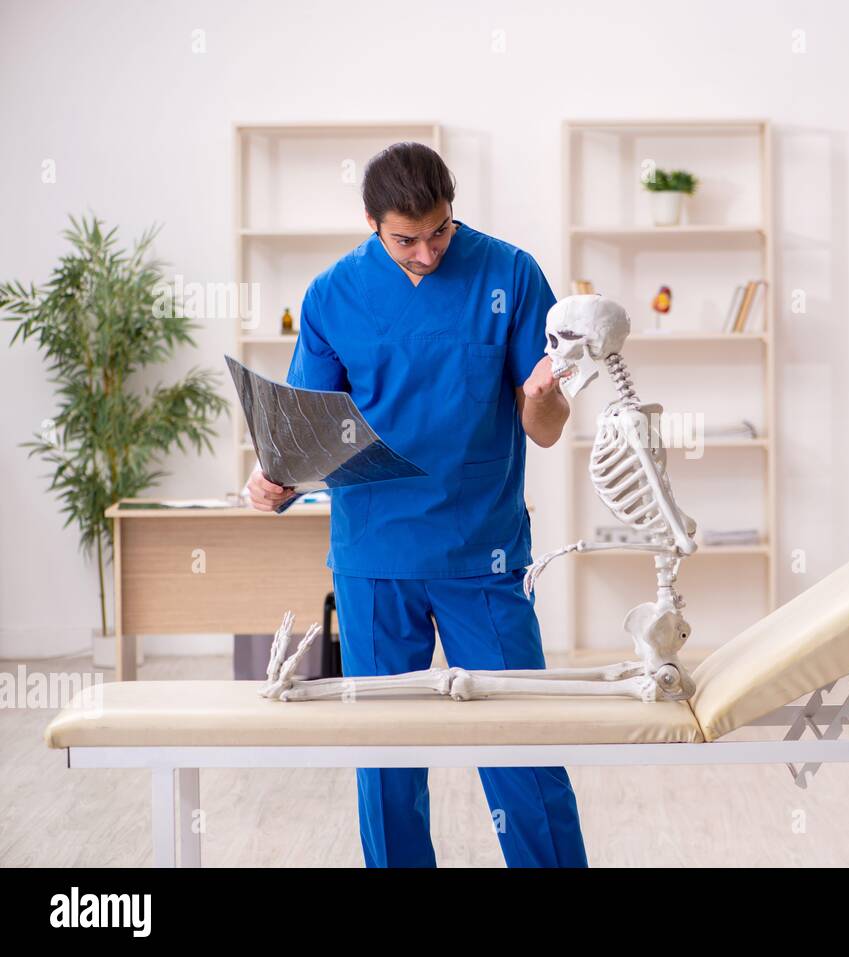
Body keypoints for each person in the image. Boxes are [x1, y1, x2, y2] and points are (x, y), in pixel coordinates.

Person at [244, 141, 588, 868]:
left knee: (524, 749)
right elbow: (308, 430)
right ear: (372, 223)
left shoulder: (511, 274)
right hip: (375, 556)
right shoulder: (333, 295)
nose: (428, 252)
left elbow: (547, 432)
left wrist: (544, 396)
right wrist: (271, 478)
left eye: (439, 231)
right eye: (406, 239)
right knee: (387, 761)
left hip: (484, 553)